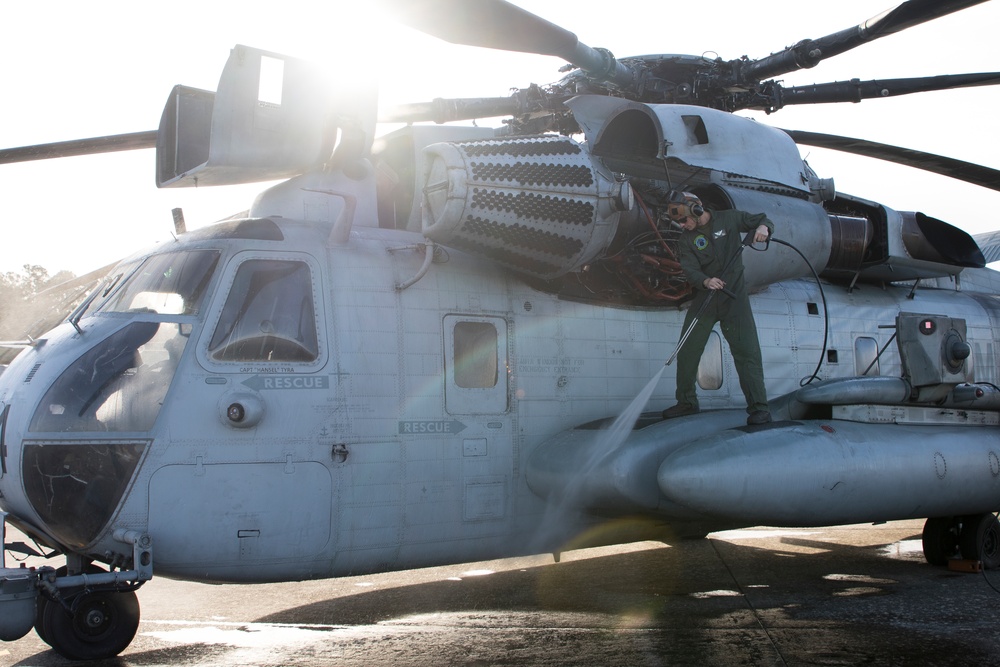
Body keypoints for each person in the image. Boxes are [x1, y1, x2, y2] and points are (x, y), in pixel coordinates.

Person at [662, 192, 773, 426]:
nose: (682, 225)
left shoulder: (729, 219)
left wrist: (764, 227)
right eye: (679, 222)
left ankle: (759, 408)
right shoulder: (686, 240)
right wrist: (705, 281)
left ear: (696, 209)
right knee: (688, 350)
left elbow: (760, 219)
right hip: (706, 298)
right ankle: (686, 402)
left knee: (747, 353)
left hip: (735, 301)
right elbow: (690, 269)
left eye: (684, 219)